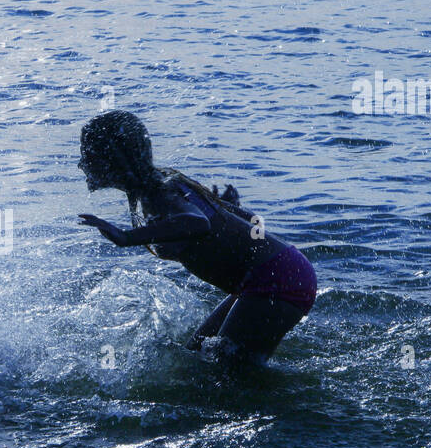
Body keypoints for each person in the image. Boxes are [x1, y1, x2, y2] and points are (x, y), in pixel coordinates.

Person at [77, 110, 315, 363]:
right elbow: (240, 219)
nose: (81, 163)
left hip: (276, 279)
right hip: (275, 273)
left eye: (86, 154)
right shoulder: (160, 184)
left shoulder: (157, 193)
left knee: (226, 371)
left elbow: (197, 223)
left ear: (111, 159)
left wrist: (125, 237)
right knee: (197, 356)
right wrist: (224, 210)